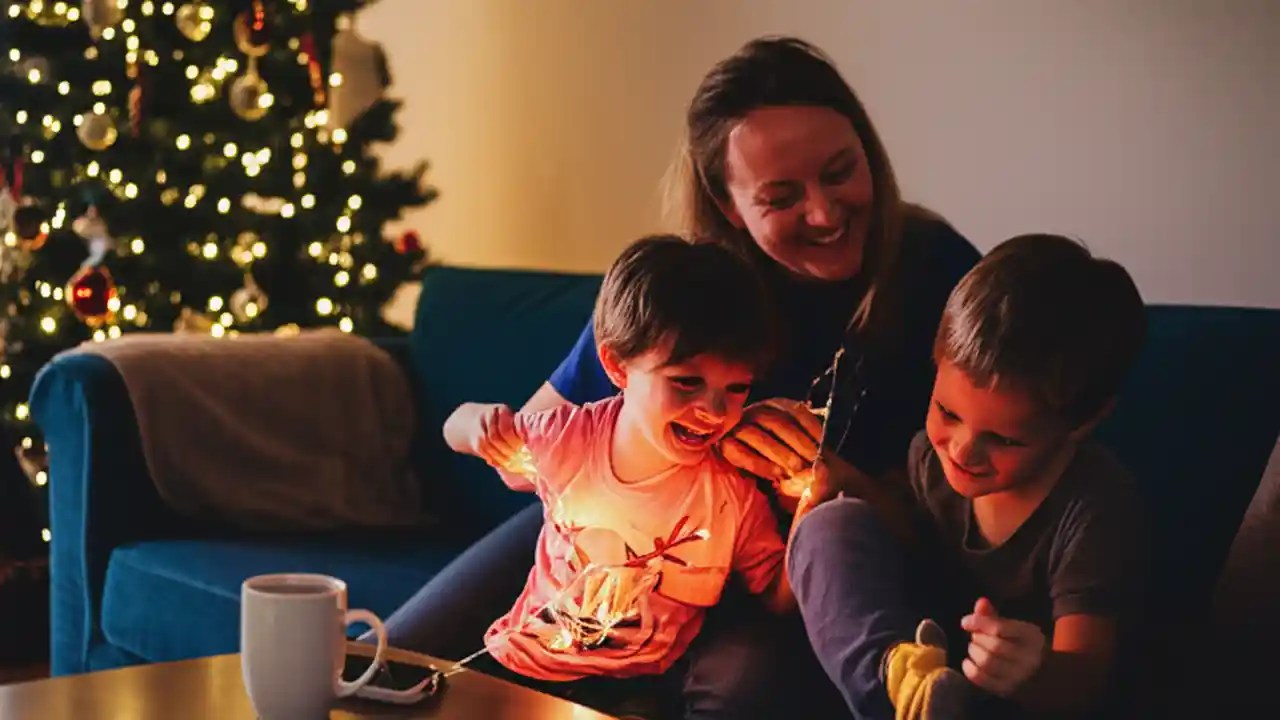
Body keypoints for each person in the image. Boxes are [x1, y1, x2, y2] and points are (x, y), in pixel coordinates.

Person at [379, 35, 981, 718]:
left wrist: (834, 485)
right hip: (626, 552)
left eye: (841, 172)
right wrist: (500, 436)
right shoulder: (690, 291)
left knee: (740, 684)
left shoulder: (939, 276)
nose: (822, 212)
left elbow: (987, 524)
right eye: (781, 196)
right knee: (388, 660)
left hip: (781, 573)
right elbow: (527, 446)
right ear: (728, 207)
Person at [441, 236, 807, 717]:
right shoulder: (569, 439)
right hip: (523, 668)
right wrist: (476, 424)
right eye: (686, 382)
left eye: (736, 388)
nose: (714, 410)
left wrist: (805, 502)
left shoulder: (730, 499)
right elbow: (454, 430)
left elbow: (779, 595)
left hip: (639, 695)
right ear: (616, 365)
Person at [788, 234, 1151, 719]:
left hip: (1002, 699)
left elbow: (1086, 676)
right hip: (920, 669)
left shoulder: (1092, 507)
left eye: (1003, 440)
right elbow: (905, 532)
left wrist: (1035, 672)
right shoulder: (927, 456)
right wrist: (841, 481)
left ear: (1080, 425)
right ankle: (897, 697)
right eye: (947, 412)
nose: (962, 450)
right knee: (829, 527)